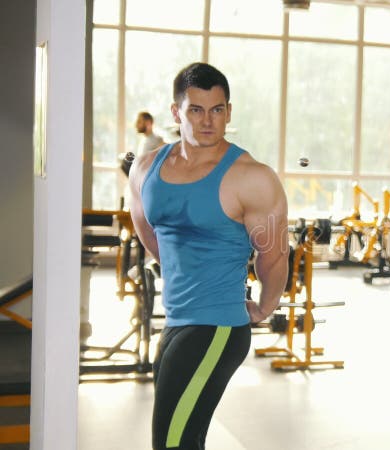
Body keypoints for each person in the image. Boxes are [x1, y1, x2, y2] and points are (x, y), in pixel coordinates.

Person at [127, 62, 288, 450]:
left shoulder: (251, 177)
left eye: (217, 110)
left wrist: (265, 307)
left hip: (217, 327)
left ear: (228, 112)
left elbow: (275, 254)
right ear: (176, 112)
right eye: (196, 110)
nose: (207, 121)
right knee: (183, 439)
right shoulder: (147, 168)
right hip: (177, 321)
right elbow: (147, 230)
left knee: (172, 442)